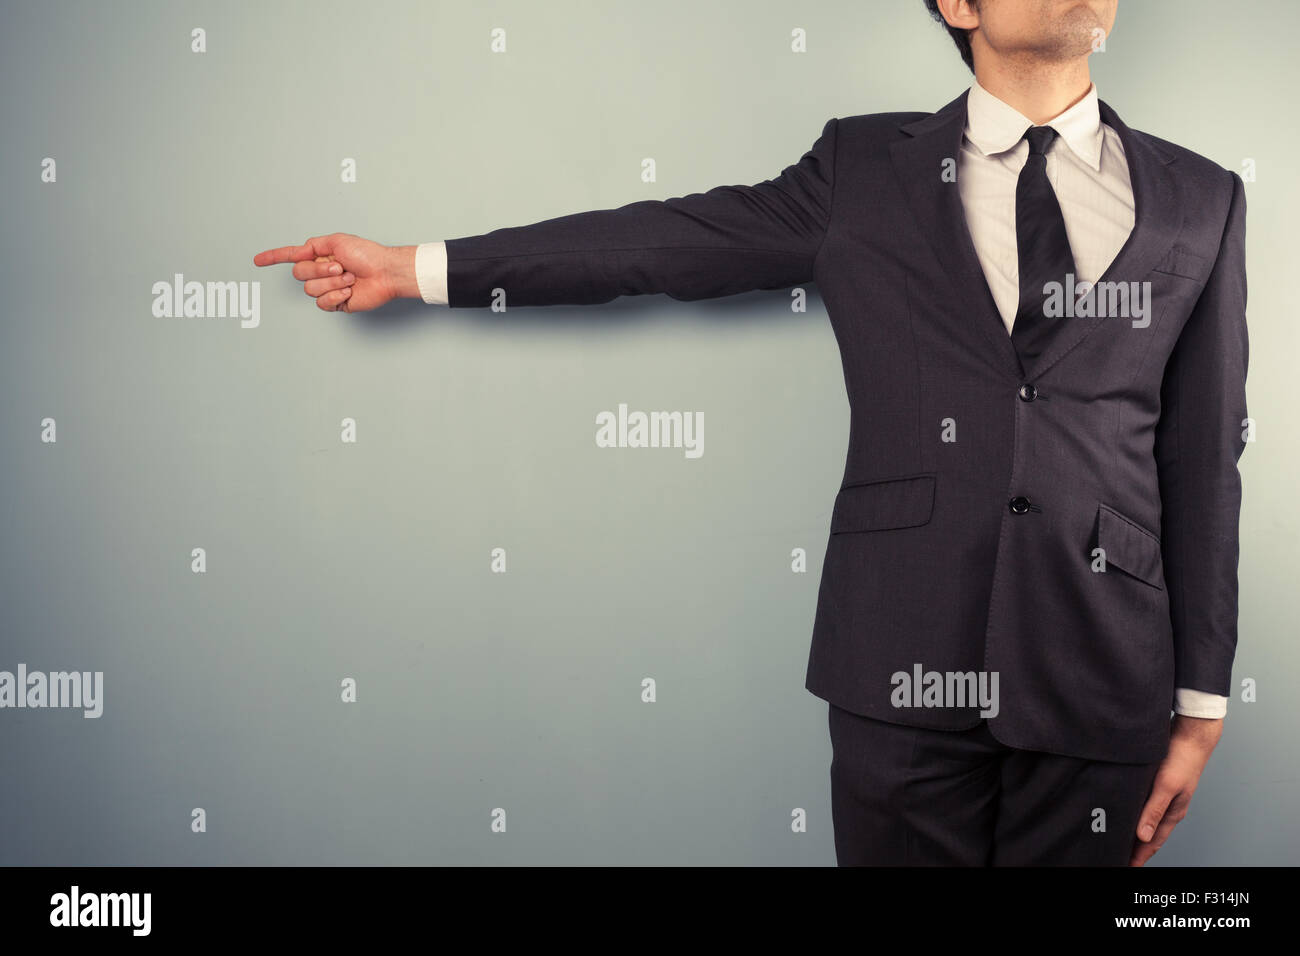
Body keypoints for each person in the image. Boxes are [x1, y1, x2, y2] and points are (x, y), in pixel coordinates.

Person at [254, 0, 1248, 866]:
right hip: (900, 661)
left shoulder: (1201, 197)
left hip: (1102, 665)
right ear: (958, 5)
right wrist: (416, 266)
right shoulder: (862, 169)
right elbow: (659, 242)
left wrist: (1201, 702)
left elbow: (1202, 462)